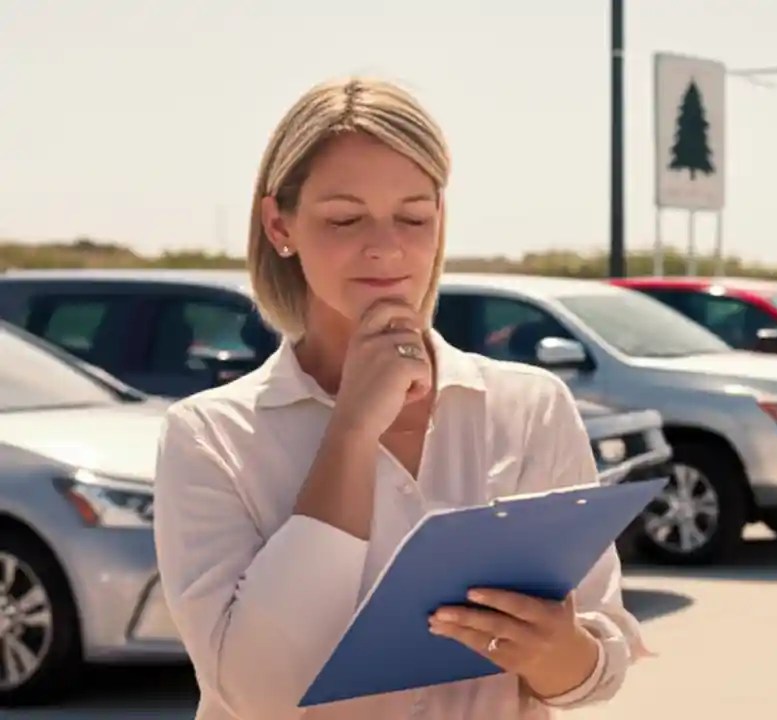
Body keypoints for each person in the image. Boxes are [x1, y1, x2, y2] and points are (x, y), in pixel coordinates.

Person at [152, 76, 648, 720]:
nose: (385, 247)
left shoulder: (528, 407)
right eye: (345, 218)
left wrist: (554, 649)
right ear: (280, 224)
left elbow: (592, 671)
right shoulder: (208, 436)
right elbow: (258, 695)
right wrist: (351, 434)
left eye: (413, 216)